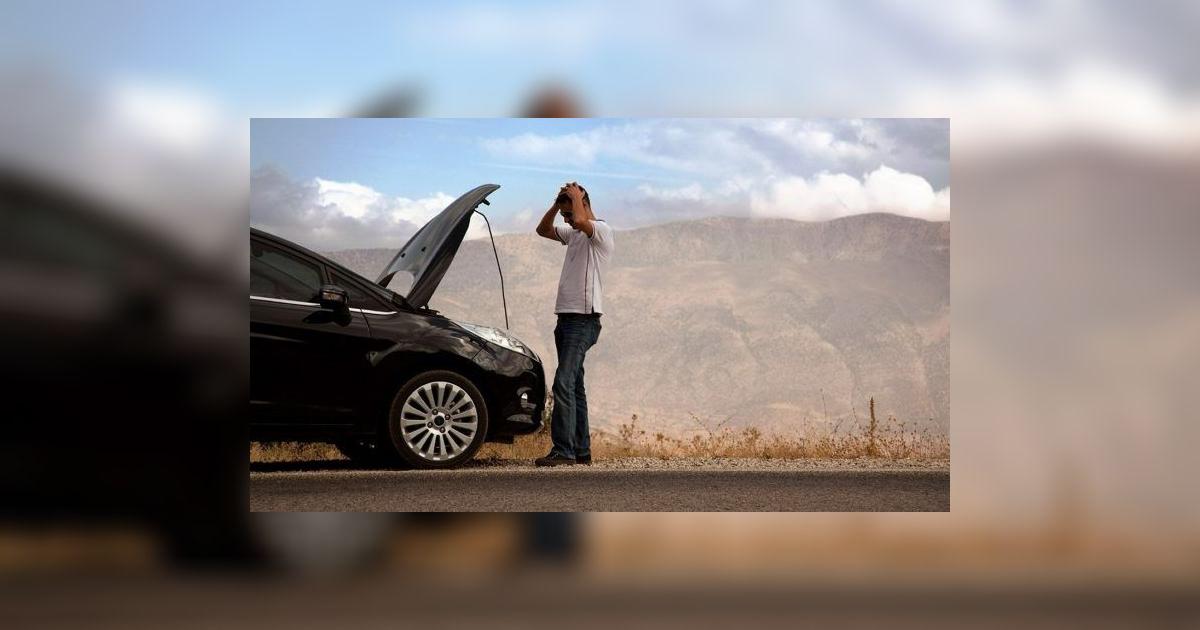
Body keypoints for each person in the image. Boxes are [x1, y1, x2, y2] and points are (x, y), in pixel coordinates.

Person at [533, 182, 614, 466]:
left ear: (584, 203)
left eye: (569, 215)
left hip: (583, 319)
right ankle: (581, 451)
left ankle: (563, 451)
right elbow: (542, 230)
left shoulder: (599, 230)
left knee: (563, 382)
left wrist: (576, 199)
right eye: (565, 217)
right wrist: (557, 206)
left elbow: (581, 219)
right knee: (575, 385)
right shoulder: (574, 234)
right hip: (566, 317)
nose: (567, 221)